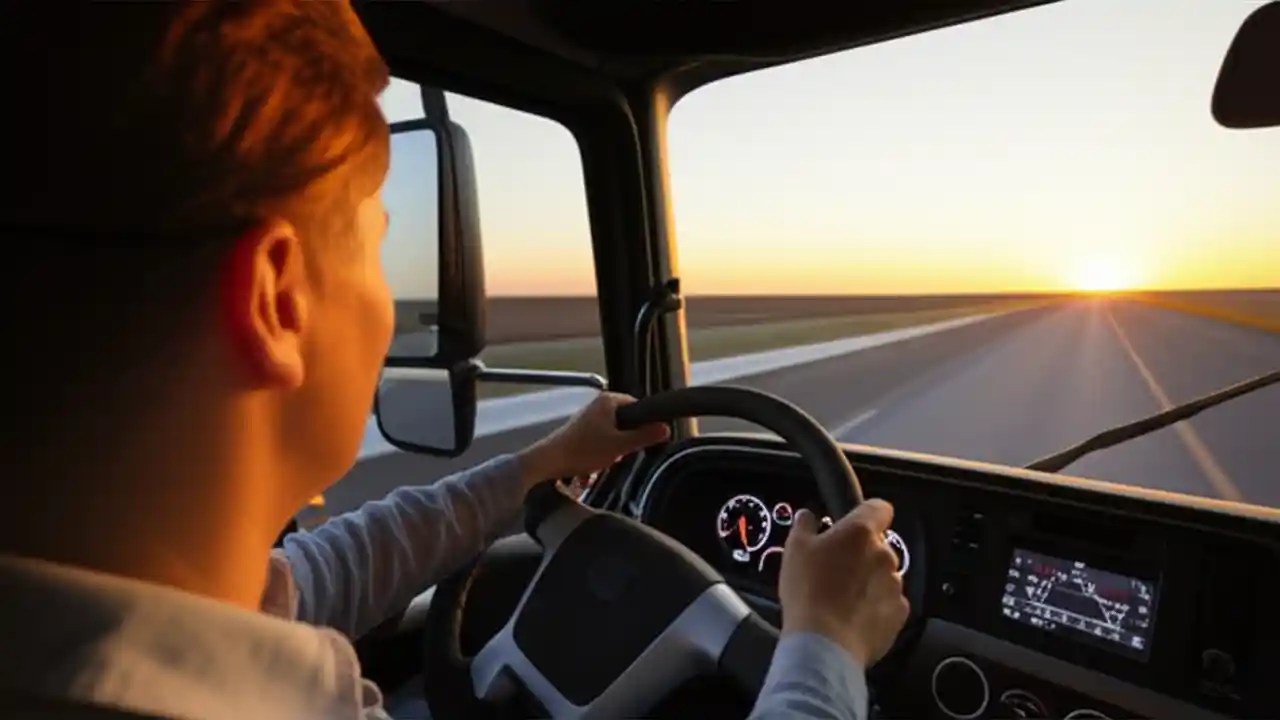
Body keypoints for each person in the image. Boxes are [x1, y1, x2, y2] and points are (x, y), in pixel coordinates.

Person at [0, 2, 909, 719]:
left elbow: (317, 577)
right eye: (375, 246)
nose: (391, 306)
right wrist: (824, 646)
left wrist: (545, 465)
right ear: (277, 300)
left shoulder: (154, 612)